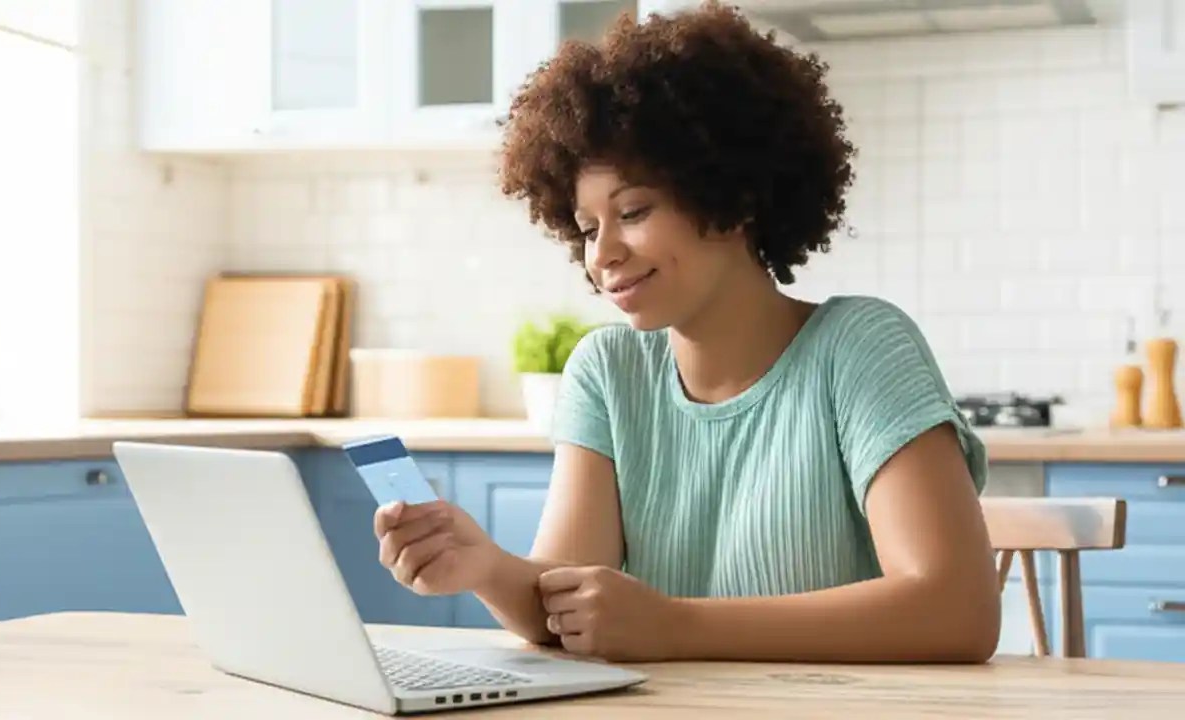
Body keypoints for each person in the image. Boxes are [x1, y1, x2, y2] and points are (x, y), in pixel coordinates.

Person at [373, 1, 1000, 664]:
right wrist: (487, 569)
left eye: (633, 211)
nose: (602, 253)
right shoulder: (608, 370)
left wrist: (676, 626)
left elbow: (956, 609)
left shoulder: (860, 348)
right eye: (588, 229)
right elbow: (568, 605)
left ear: (729, 201)